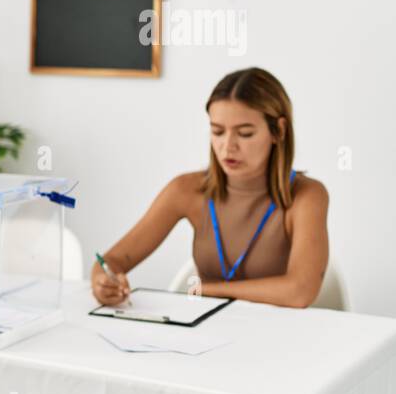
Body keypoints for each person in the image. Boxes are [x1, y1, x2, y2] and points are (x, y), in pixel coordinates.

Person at [91, 67, 328, 309]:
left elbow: (300, 292)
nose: (227, 147)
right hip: (205, 338)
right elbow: (111, 260)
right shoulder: (185, 190)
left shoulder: (307, 196)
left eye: (245, 134)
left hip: (280, 338)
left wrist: (208, 290)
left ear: (278, 131)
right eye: (217, 131)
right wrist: (103, 282)